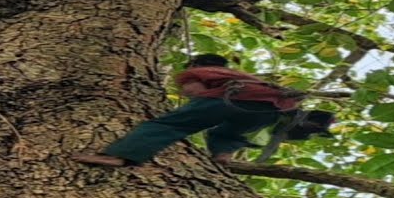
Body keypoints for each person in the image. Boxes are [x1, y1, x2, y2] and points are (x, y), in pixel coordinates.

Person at [74, 54, 304, 167]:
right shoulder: (247, 78)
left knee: (167, 125)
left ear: (195, 65)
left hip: (225, 101)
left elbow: (195, 91)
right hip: (269, 111)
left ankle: (120, 156)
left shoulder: (197, 73)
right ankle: (223, 155)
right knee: (228, 133)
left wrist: (187, 94)